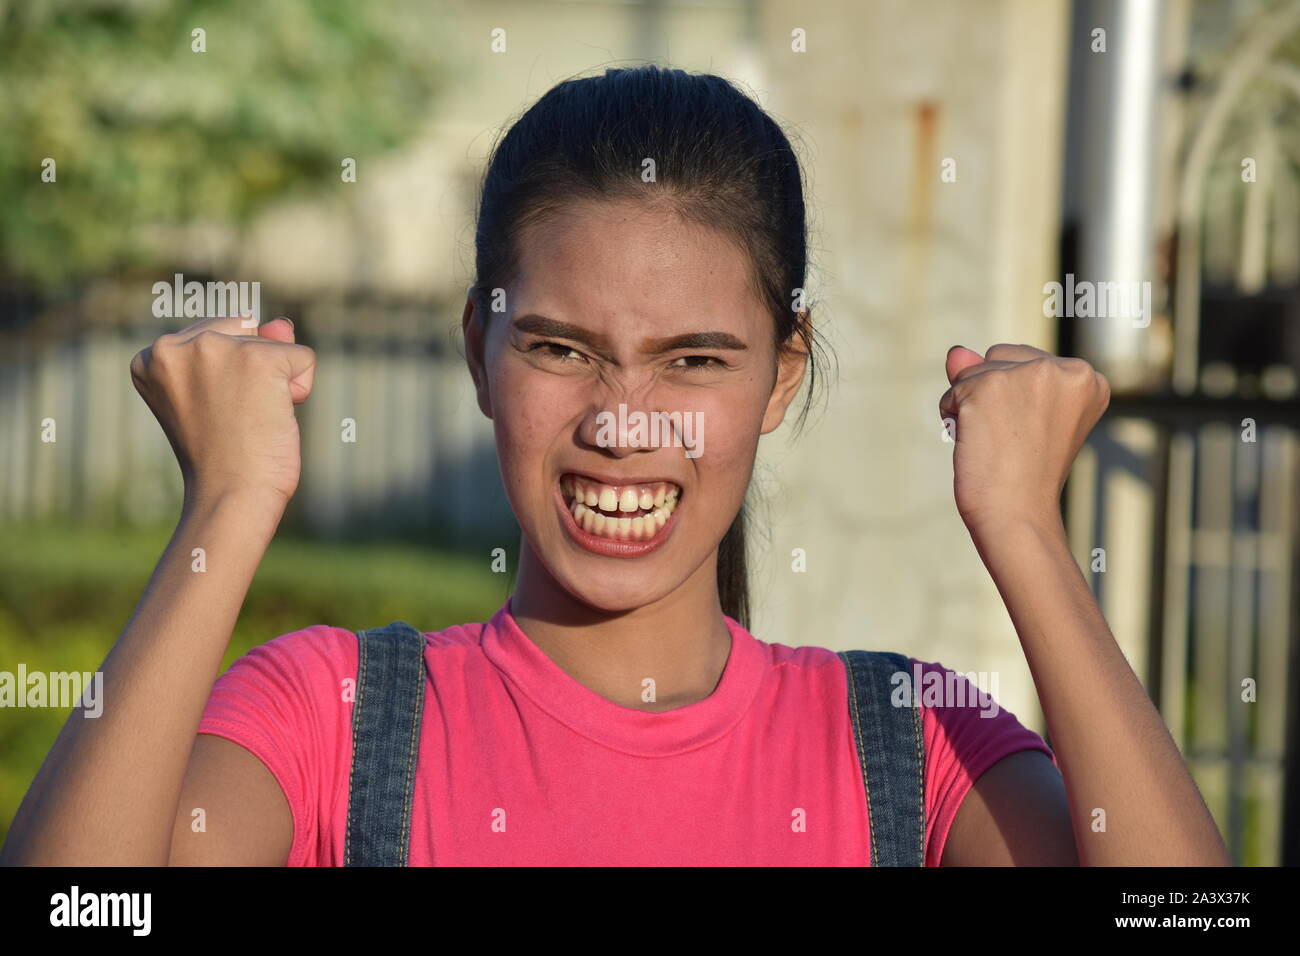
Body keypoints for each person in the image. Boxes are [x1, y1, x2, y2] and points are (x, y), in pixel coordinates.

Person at [1, 65, 1230, 866]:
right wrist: (225, 504)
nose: (625, 422)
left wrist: (1023, 526)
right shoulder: (329, 716)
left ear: (781, 379)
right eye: (560, 347)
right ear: (478, 350)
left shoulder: (906, 745)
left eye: (694, 360)